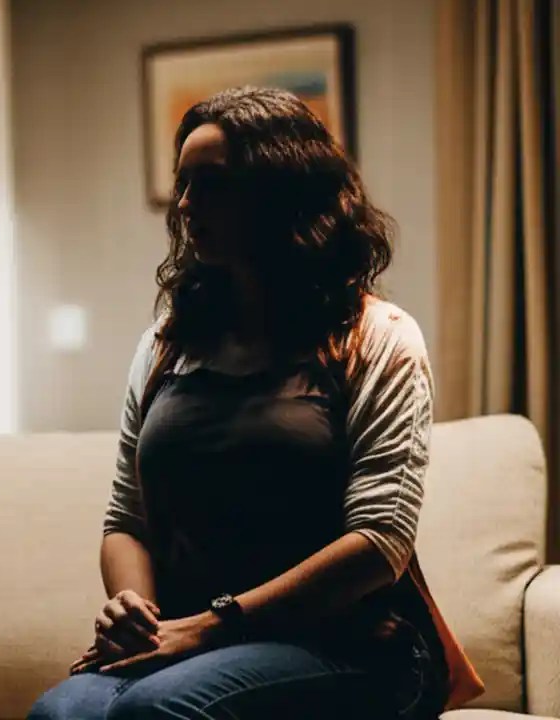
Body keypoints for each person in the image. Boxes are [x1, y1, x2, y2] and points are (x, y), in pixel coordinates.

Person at [28, 87, 482, 720]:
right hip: (193, 640)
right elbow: (125, 520)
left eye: (211, 184)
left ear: (281, 191)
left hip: (355, 646)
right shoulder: (167, 346)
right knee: (61, 714)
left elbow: (380, 541)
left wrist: (213, 626)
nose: (185, 205)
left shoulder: (378, 338)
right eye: (182, 184)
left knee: (153, 711)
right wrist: (137, 612)